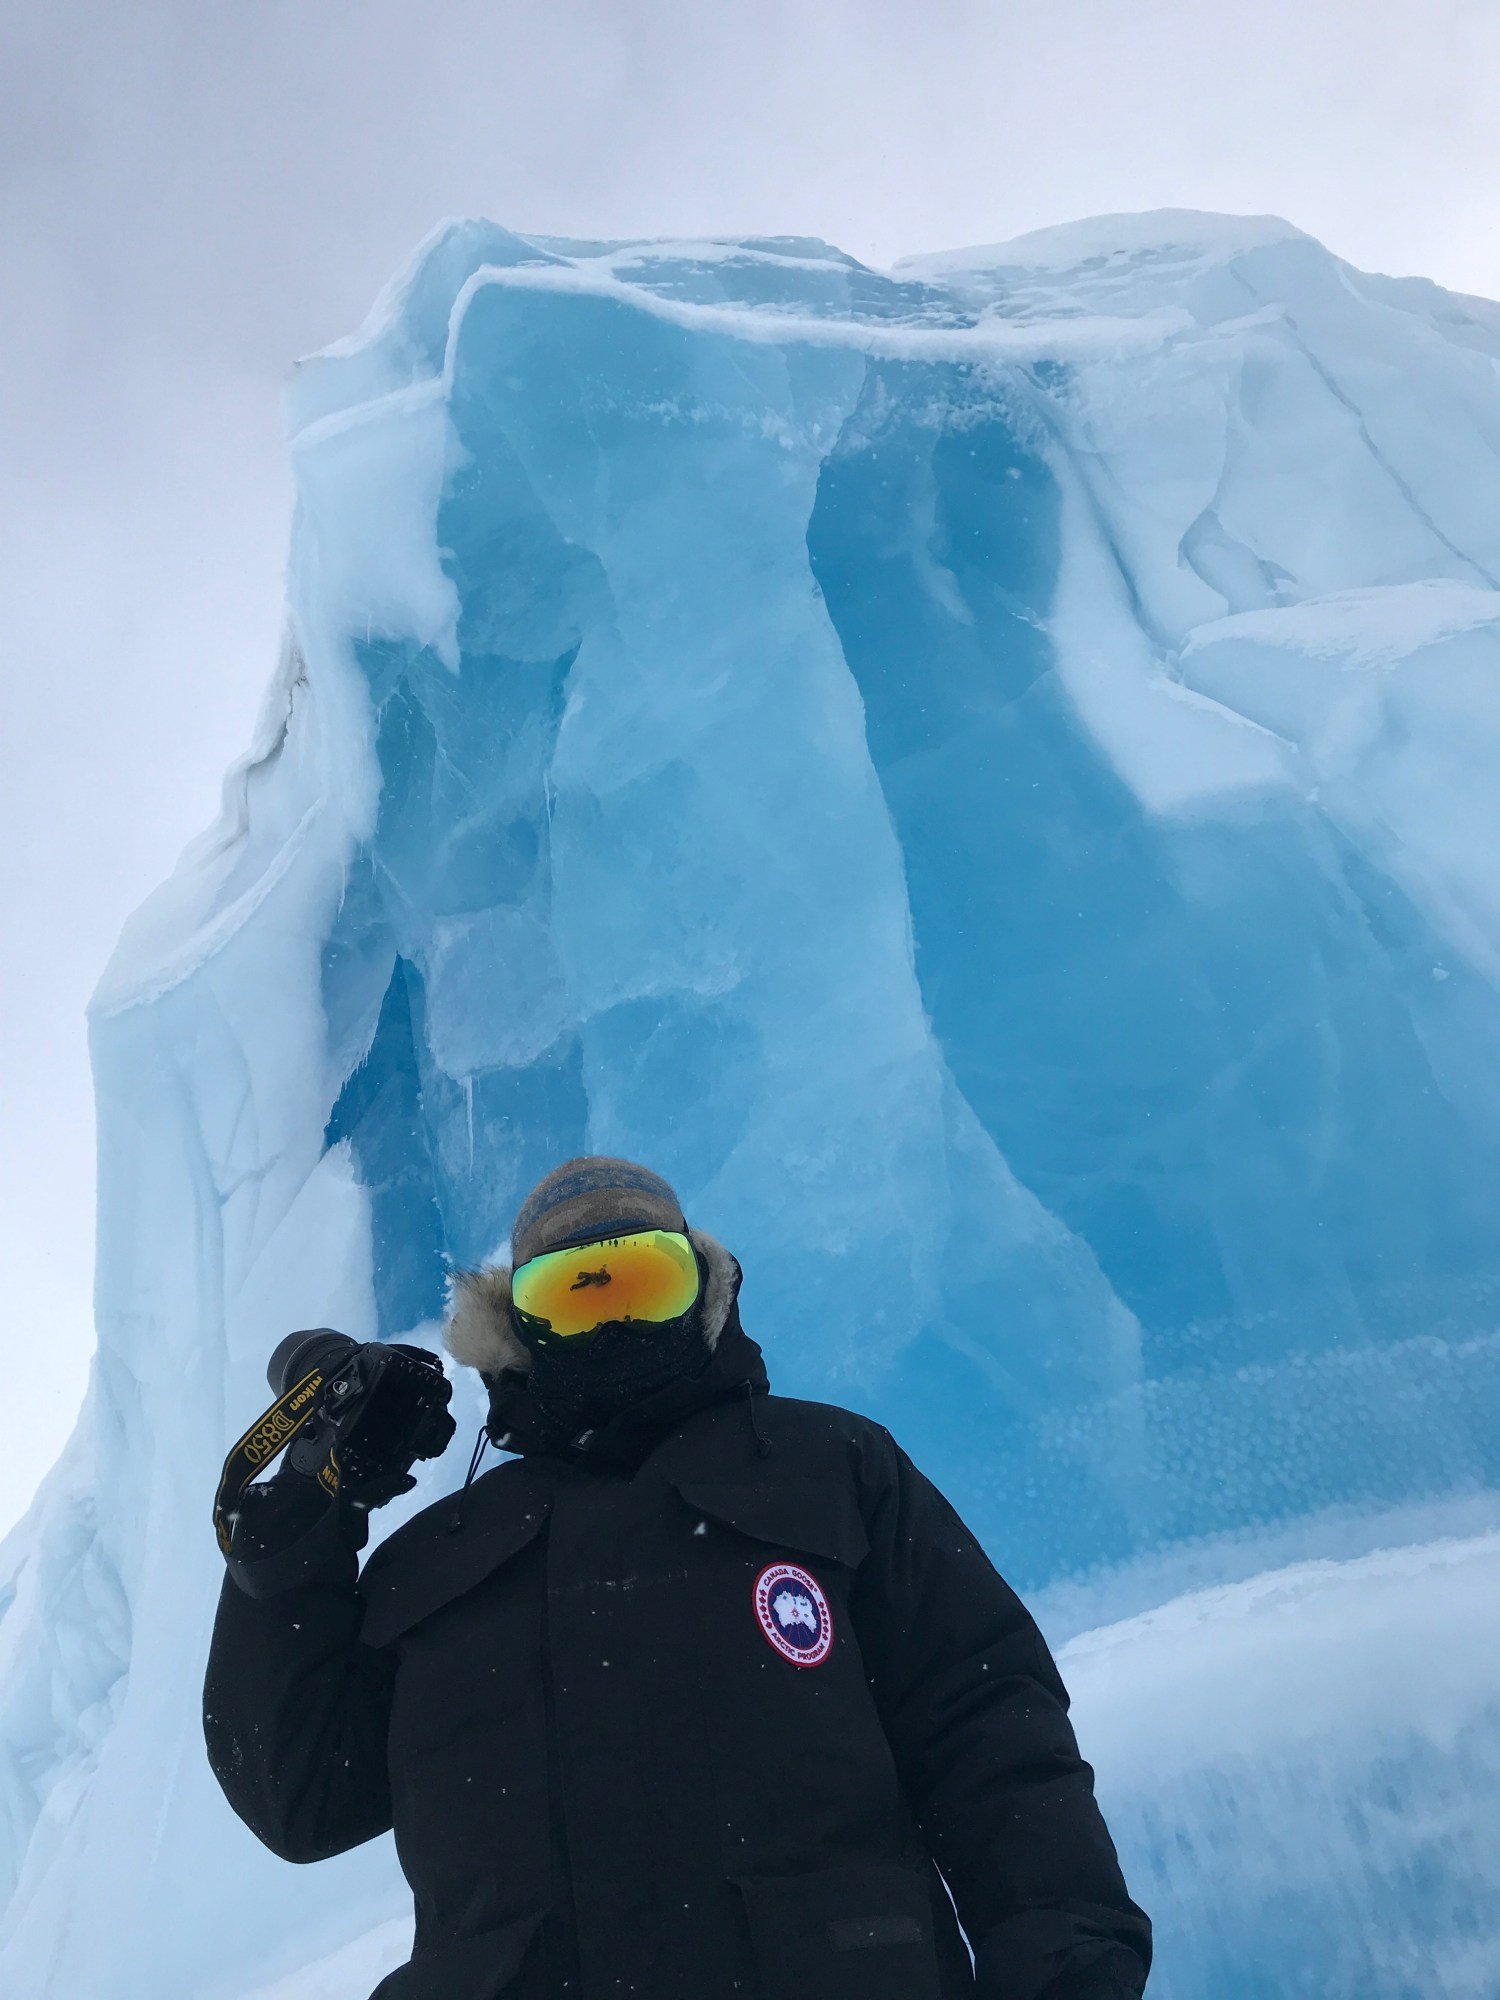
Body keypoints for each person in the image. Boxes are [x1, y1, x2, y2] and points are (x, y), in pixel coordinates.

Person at [204, 1156, 1151, 2000]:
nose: (614, 1318)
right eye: (577, 1294)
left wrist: (1063, 1966)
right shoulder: (435, 1557)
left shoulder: (834, 1470)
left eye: (645, 1282)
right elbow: (300, 1795)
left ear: (702, 1292)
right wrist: (309, 1511)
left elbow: (984, 1723)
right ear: (518, 1326)